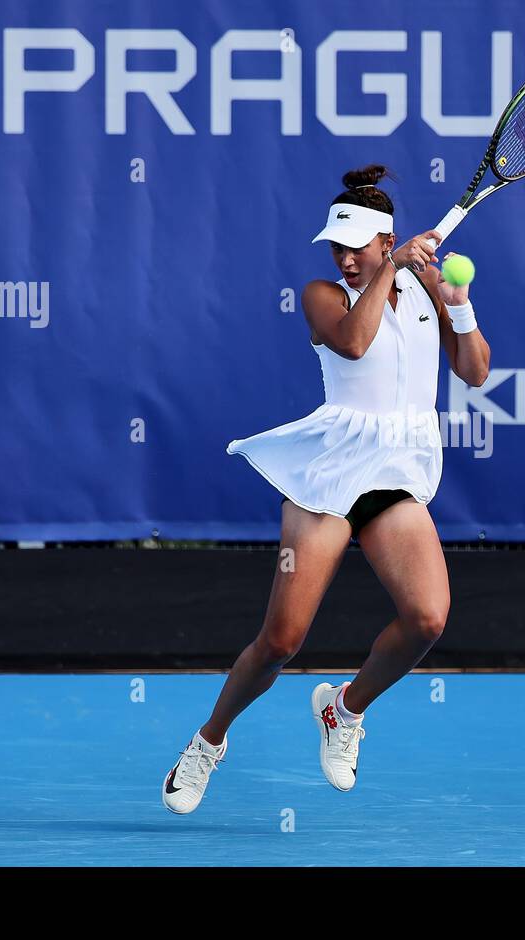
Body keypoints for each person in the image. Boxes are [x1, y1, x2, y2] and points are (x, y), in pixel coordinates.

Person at [162, 164, 491, 812]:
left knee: (427, 618)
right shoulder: (322, 296)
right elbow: (357, 339)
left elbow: (474, 370)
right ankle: (208, 742)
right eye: (337, 247)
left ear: (383, 237)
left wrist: (456, 302)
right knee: (282, 640)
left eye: (356, 247)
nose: (342, 258)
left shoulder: (425, 286)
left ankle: (344, 711)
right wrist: (390, 268)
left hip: (397, 473)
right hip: (330, 476)